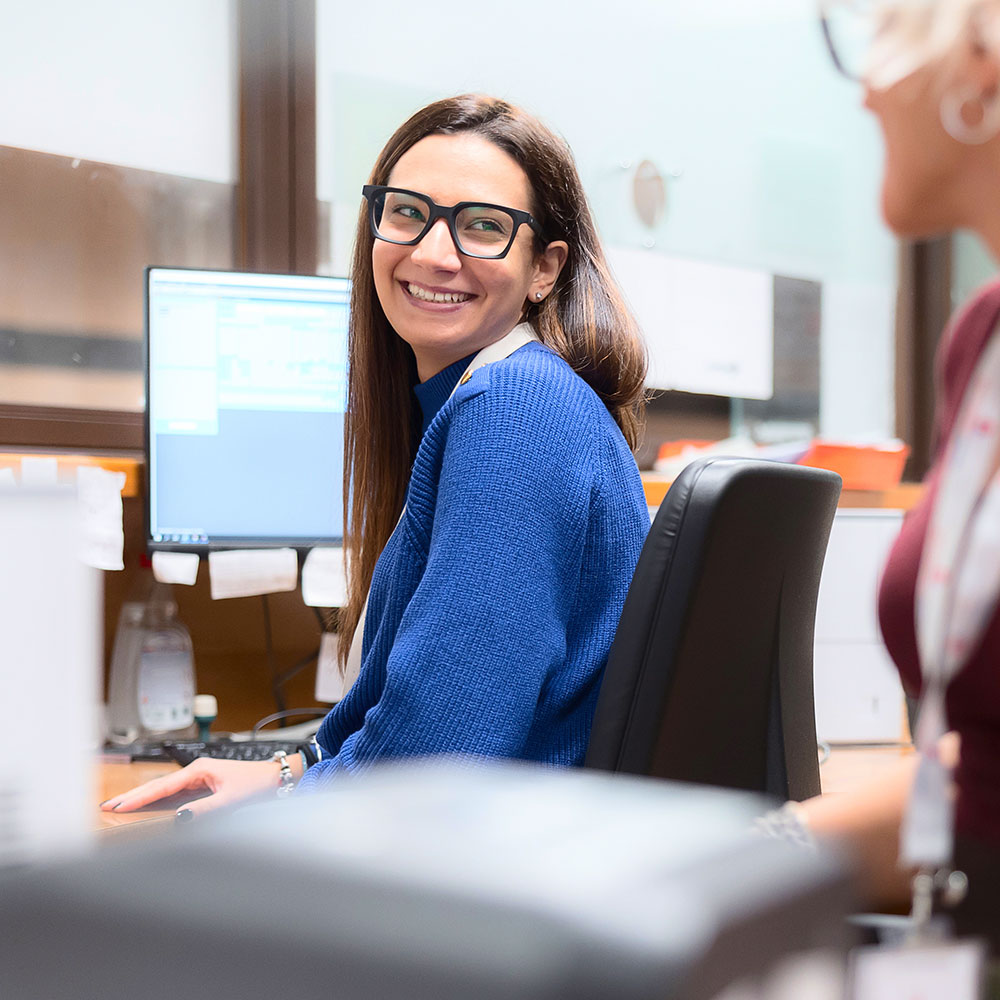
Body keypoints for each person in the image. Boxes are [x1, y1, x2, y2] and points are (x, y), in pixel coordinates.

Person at [102, 95, 650, 817]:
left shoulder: (517, 410)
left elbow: (439, 756)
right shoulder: (494, 397)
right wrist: (291, 771)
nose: (432, 252)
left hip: (501, 873)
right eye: (406, 212)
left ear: (544, 269)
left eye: (482, 226)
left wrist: (298, 797)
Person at [789, 0, 1000, 941]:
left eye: (882, 34)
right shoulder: (980, 341)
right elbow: (984, 777)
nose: (867, 90)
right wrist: (754, 854)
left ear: (981, 68)